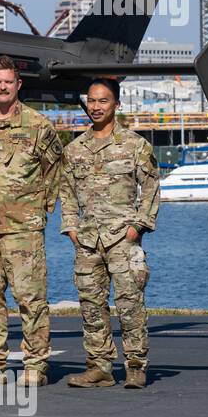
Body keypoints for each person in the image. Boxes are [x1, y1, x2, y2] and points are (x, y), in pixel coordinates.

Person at [0, 56, 63, 387]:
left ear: (18, 85)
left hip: (24, 231)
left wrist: (38, 210)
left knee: (30, 299)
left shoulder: (38, 126)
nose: (2, 87)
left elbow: (55, 170)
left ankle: (35, 365)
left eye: (8, 81)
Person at [60, 78, 160, 389]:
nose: (96, 107)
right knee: (91, 306)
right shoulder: (74, 149)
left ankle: (135, 366)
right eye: (91, 101)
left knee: (130, 305)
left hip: (122, 239)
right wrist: (72, 229)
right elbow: (66, 193)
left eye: (103, 101)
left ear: (116, 104)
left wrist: (138, 227)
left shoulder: (135, 145)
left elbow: (152, 187)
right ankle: (99, 366)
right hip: (88, 242)